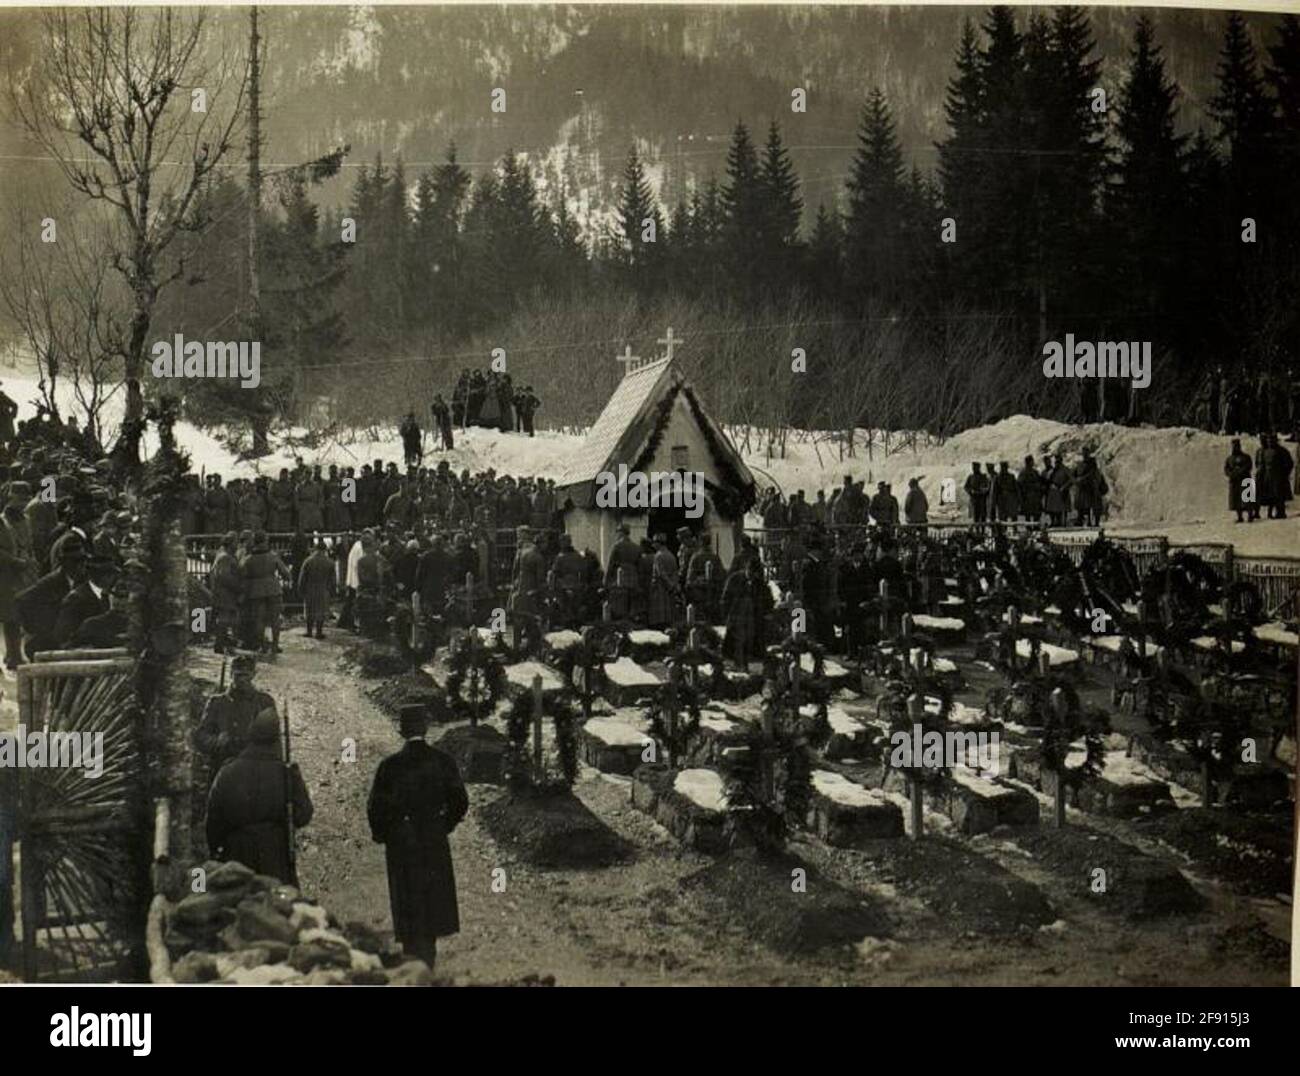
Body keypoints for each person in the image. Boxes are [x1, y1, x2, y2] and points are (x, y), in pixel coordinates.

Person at [366, 704, 468, 969]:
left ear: (402, 731)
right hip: (433, 839)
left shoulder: (390, 766)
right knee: (432, 900)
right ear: (425, 728)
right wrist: (444, 825)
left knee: (408, 900)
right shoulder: (443, 762)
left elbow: (376, 809)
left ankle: (412, 956)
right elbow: (460, 800)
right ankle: (428, 958)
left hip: (403, 843)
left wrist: (387, 834)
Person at [205, 707, 313, 886]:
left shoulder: (227, 772)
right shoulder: (286, 773)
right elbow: (304, 815)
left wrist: (218, 852)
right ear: (276, 739)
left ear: (251, 737)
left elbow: (213, 824)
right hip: (275, 857)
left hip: (236, 859)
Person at [193, 654, 277, 775]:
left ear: (253, 674)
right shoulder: (217, 702)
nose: (242, 679)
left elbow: (274, 741)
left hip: (253, 770)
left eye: (246, 675)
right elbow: (201, 736)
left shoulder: (264, 702)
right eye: (238, 675)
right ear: (231, 674)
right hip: (221, 767)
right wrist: (216, 741)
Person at [0, 481, 36, 669]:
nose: (23, 503)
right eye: (19, 499)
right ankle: (13, 656)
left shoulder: (27, 519)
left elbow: (30, 545)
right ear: (10, 498)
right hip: (6, 574)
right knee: (10, 617)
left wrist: (30, 562)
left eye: (26, 500)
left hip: (26, 573)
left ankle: (15, 654)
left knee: (23, 613)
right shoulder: (2, 521)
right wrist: (16, 562)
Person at [298, 540, 336, 639]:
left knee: (309, 610)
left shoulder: (308, 561)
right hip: (323, 589)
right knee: (321, 611)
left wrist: (301, 589)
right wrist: (332, 591)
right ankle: (319, 632)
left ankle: (309, 631)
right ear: (325, 550)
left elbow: (302, 578)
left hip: (310, 588)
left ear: (315, 549)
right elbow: (333, 580)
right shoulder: (330, 563)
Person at [1224, 438, 1255, 523]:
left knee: (1247, 498)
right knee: (1236, 499)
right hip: (1234, 481)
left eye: (1236, 446)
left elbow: (1248, 466)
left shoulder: (1245, 457)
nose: (1235, 448)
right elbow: (1226, 469)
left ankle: (1250, 515)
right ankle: (1240, 516)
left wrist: (1240, 472)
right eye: (1233, 446)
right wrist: (1231, 474)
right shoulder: (1229, 459)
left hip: (1245, 479)